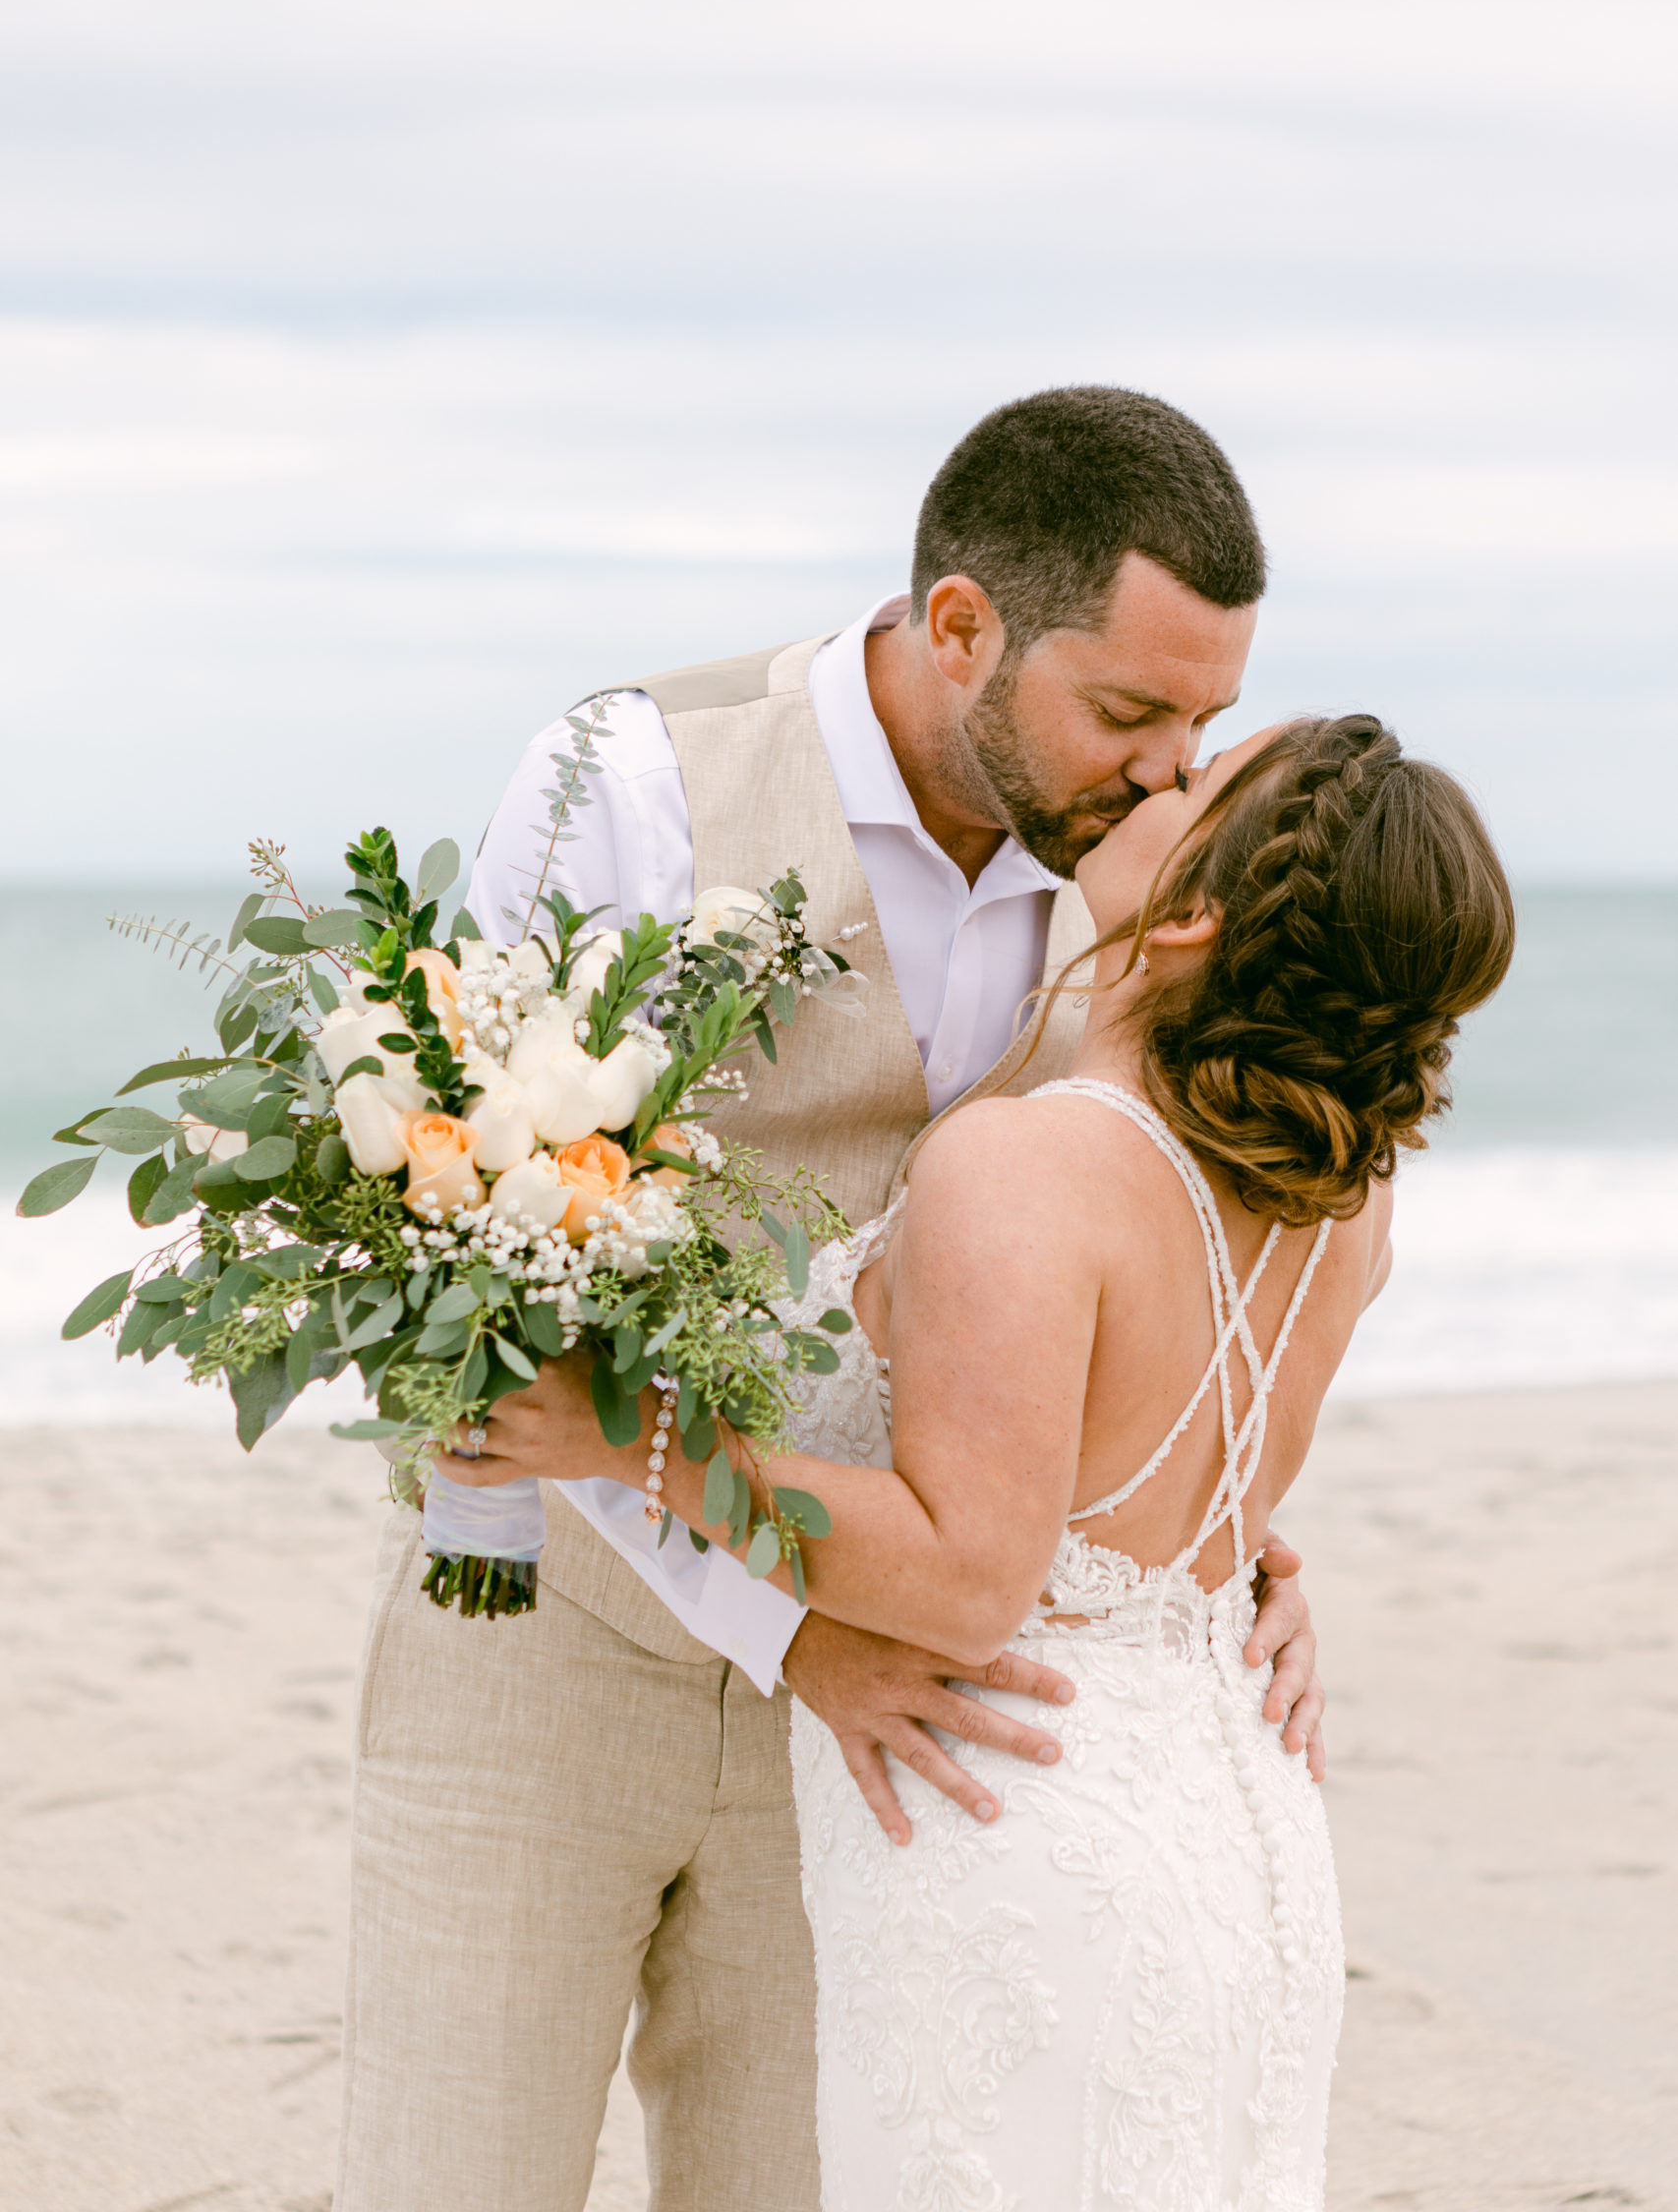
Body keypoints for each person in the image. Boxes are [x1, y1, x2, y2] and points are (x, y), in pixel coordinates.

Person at [335, 386, 1328, 2212]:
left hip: (898, 1713)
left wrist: (1225, 1555)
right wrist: (792, 1637)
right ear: (959, 626)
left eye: (1205, 723)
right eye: (1130, 713)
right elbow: (477, 1276)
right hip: (549, 1635)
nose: (1170, 772)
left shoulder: (1140, 879)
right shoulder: (636, 780)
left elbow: (1166, 1261)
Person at [455, 711, 1515, 2208]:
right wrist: (1256, 1571)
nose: (1160, 773)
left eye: (1200, 781)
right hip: (1240, 1843)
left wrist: (644, 1443)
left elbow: (970, 1575)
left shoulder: (1023, 1163)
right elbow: (1179, 1494)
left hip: (1019, 1829)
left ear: (1195, 913)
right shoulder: (1350, 1207)